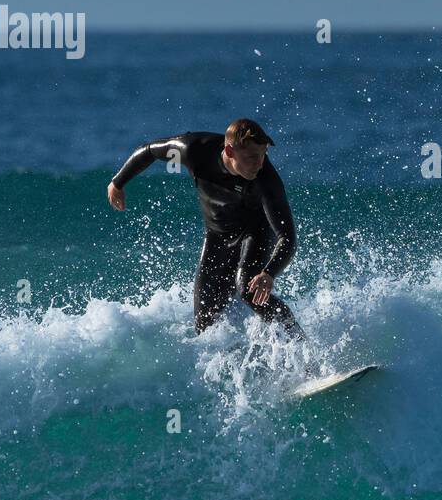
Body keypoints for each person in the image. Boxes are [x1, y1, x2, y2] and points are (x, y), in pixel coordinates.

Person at [107, 118, 306, 338]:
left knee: (249, 291)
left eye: (263, 155)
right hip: (218, 236)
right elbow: (149, 151)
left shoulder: (266, 180)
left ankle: (302, 346)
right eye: (252, 157)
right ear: (230, 151)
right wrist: (117, 182)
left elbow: (287, 238)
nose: (260, 163)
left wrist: (269, 273)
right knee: (204, 322)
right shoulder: (194, 150)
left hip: (255, 233)